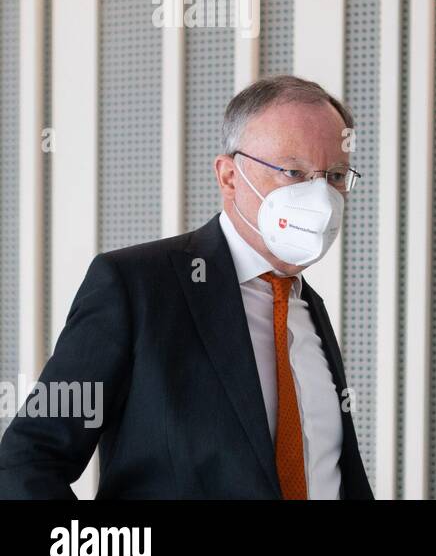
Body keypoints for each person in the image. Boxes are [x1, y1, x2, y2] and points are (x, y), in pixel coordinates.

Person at [0, 75, 373, 499]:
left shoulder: (307, 307)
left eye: (336, 176)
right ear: (230, 176)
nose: (321, 198)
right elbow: (26, 462)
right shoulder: (135, 288)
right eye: (293, 172)